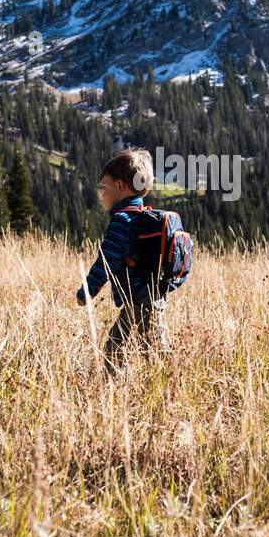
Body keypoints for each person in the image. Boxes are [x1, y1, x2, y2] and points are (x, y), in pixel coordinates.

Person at [75, 147, 169, 370]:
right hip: (143, 296)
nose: (102, 193)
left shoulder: (123, 220)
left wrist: (87, 292)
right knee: (120, 347)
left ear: (120, 186)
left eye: (104, 187)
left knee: (151, 348)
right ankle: (110, 388)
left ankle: (170, 384)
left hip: (140, 298)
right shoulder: (139, 215)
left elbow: (107, 261)